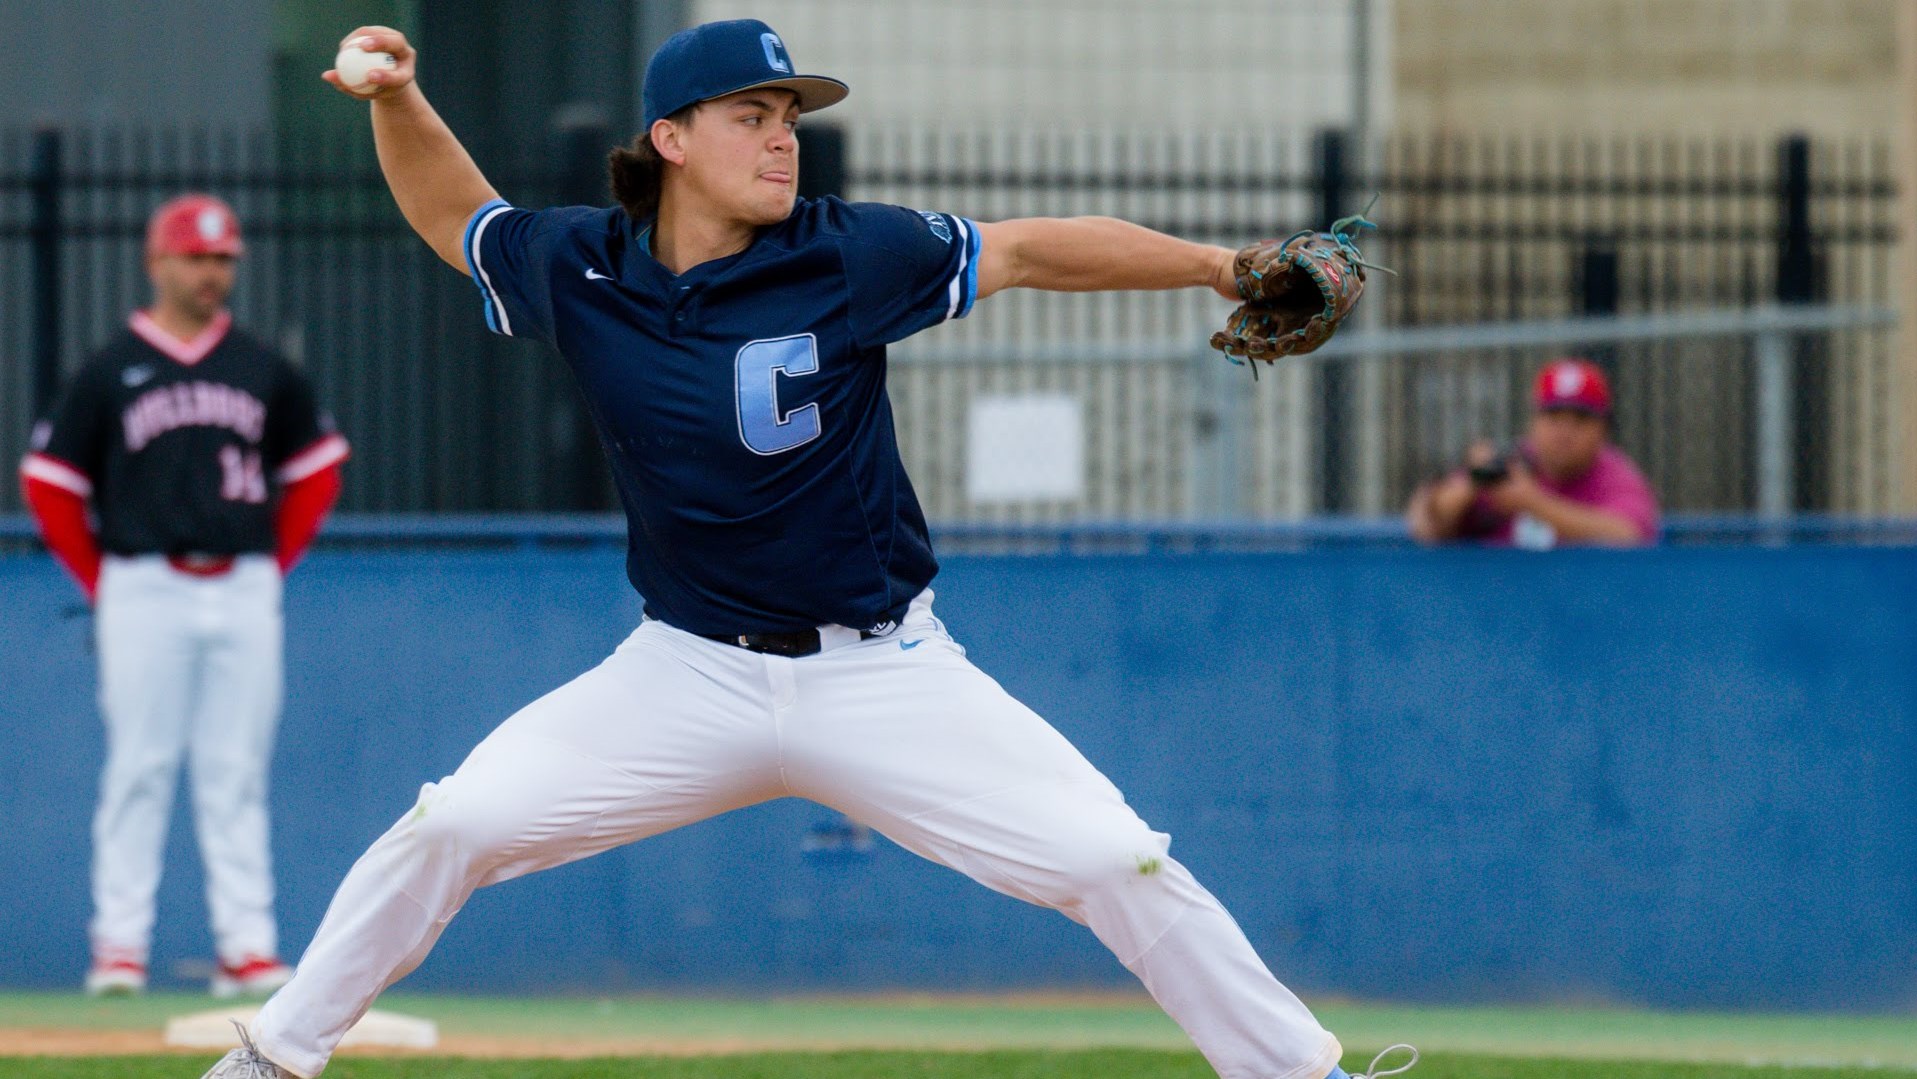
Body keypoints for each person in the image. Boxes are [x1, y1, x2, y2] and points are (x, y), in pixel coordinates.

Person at [202, 20, 1415, 1079]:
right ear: (671, 138)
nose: (784, 138)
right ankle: (273, 1053)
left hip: (884, 670)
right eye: (752, 115)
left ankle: (1302, 1072)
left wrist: (1221, 267)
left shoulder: (848, 251)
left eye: (790, 115)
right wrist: (399, 97)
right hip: (684, 673)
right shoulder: (584, 266)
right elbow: (457, 215)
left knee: (1114, 858)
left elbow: (1037, 246)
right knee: (455, 822)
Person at [20, 194, 350, 998]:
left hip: (239, 582)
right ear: (157, 262)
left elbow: (317, 468)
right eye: (199, 257)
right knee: (140, 764)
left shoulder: (262, 366)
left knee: (234, 769)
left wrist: (274, 563)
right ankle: (119, 948)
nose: (214, 271)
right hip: (143, 583)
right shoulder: (110, 370)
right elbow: (50, 481)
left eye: (224, 258)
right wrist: (103, 582)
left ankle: (246, 947)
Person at [1405, 357, 1660, 549]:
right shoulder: (1510, 464)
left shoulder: (1616, 476)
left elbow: (1630, 537)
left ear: (1603, 429)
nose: (1565, 431)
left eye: (1581, 419)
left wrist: (1531, 502)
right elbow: (1425, 524)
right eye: (1553, 416)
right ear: (1534, 422)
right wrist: (1472, 483)